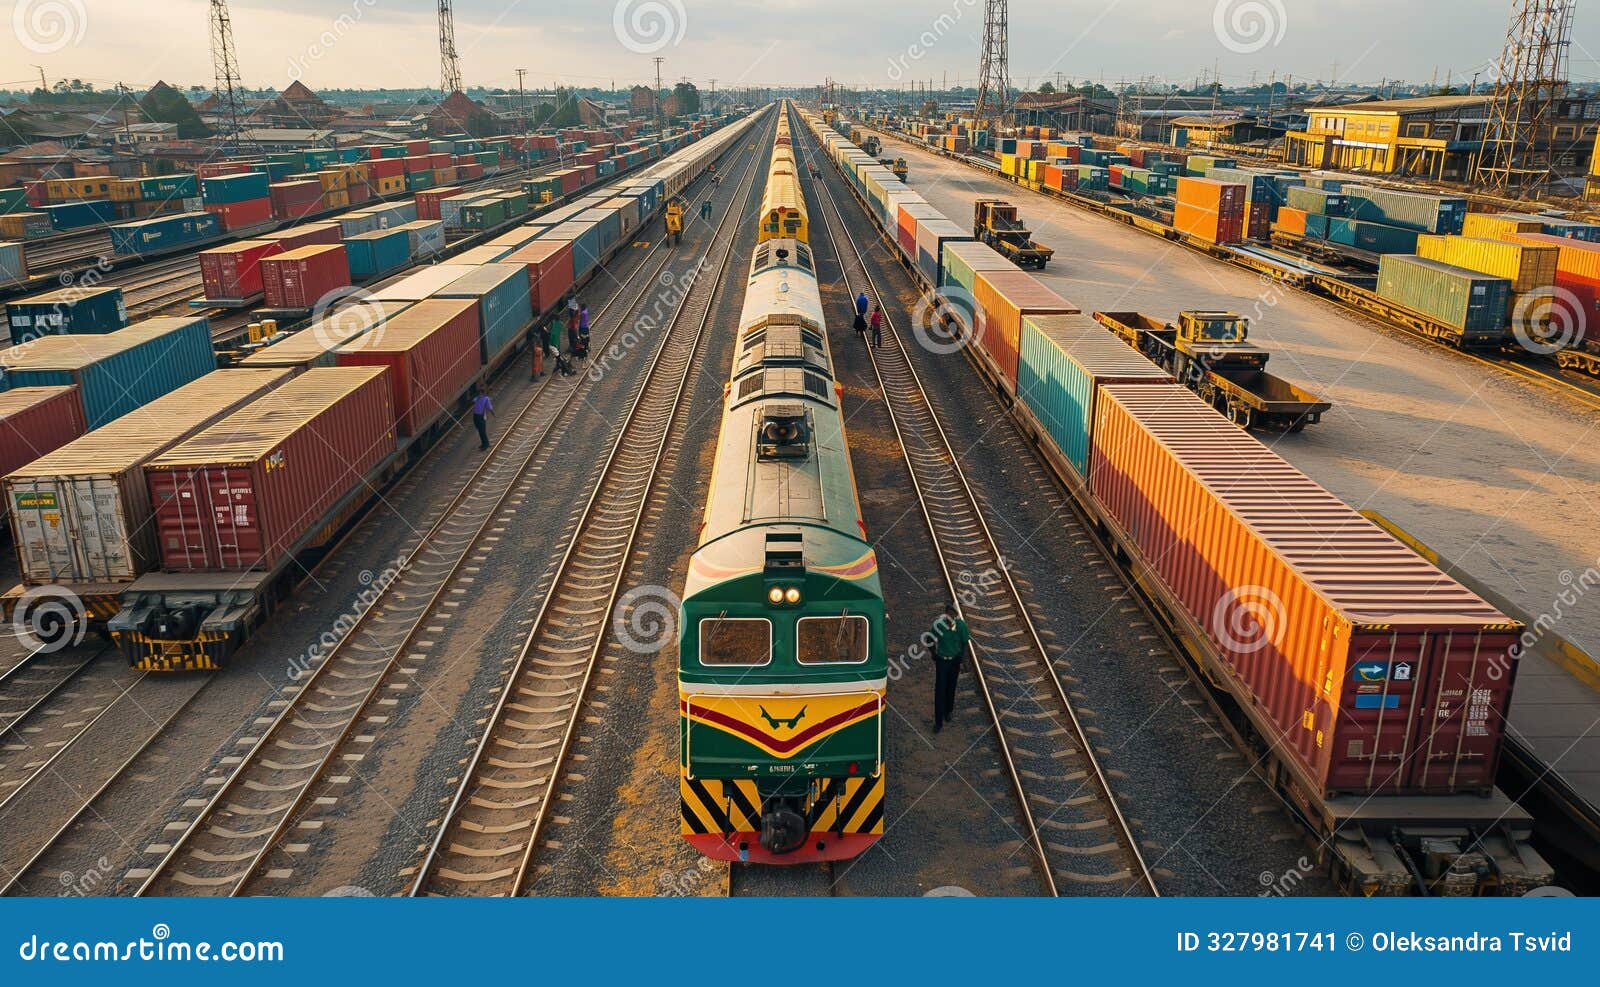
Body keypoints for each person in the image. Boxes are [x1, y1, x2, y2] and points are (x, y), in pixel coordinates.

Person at [930, 604, 970, 732]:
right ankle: (938, 722)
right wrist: (934, 654)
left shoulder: (961, 626)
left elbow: (964, 643)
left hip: (954, 661)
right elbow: (929, 639)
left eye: (953, 614)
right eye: (948, 613)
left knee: (951, 687)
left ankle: (948, 711)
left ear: (956, 615)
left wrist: (962, 660)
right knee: (940, 690)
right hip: (942, 661)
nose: (950, 616)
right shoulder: (939, 625)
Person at [470, 386, 493, 451]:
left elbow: (490, 408)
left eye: (480, 393)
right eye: (479, 393)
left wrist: (493, 414)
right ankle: (483, 443)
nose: (479, 394)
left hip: (481, 416)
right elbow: (472, 401)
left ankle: (486, 444)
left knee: (482, 431)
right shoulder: (477, 398)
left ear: (482, 393)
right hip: (476, 416)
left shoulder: (486, 399)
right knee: (480, 431)